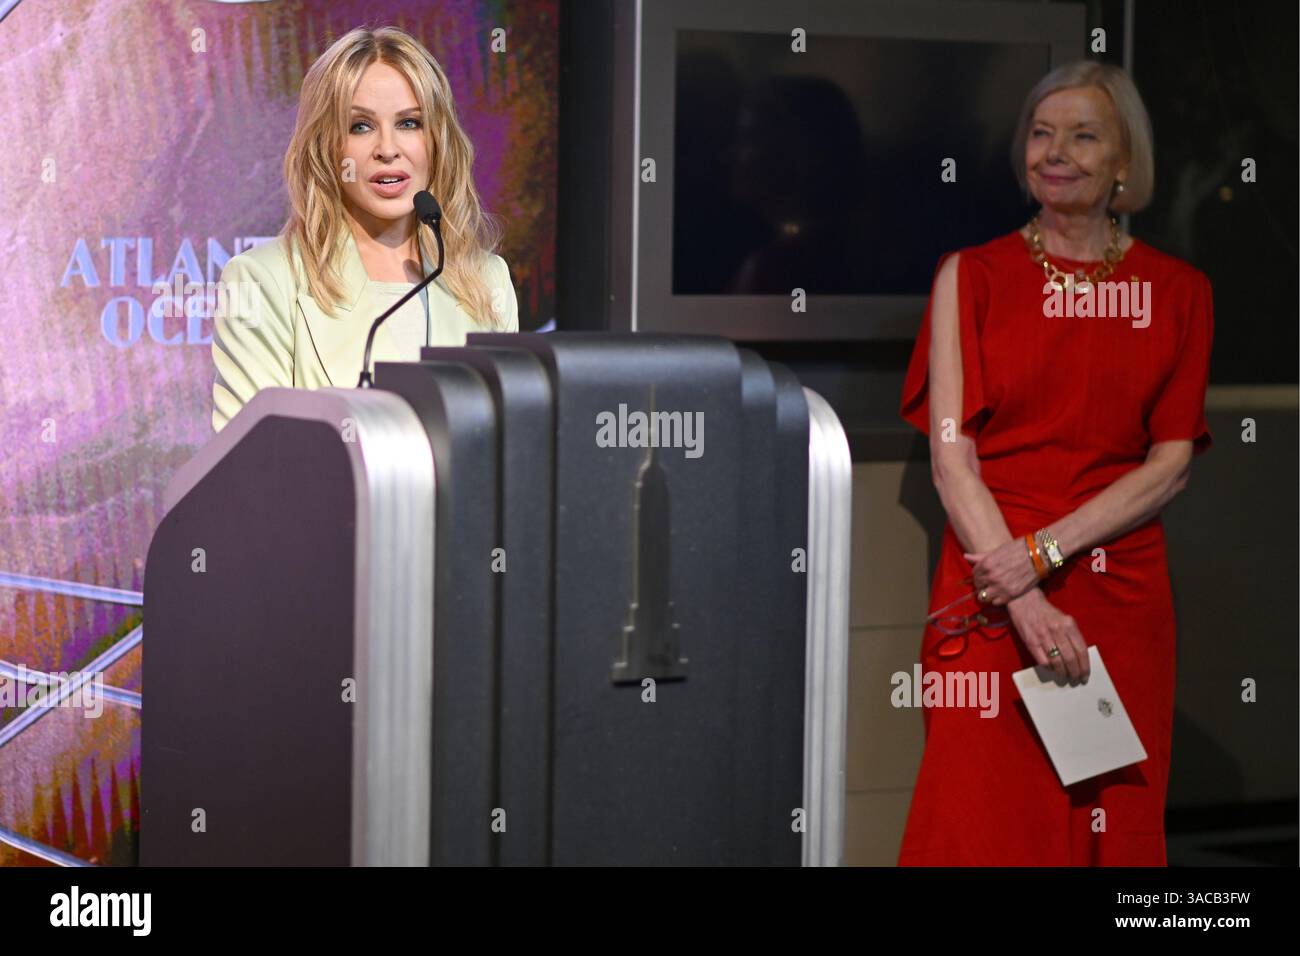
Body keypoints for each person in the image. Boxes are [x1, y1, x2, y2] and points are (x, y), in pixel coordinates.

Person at [897, 60, 1214, 865]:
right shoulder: (970, 275)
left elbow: (1171, 463)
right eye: (1041, 133)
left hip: (1116, 591)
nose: (1055, 151)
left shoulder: (1178, 293)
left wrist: (1046, 552)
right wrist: (1024, 591)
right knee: (980, 821)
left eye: (1082, 135)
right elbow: (949, 456)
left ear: (1124, 164)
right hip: (990, 586)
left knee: (1110, 823)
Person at [211, 26, 518, 432]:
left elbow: (511, 451)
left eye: (409, 123)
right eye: (360, 126)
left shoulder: (486, 280)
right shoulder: (263, 281)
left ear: (437, 141)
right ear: (326, 147)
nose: (388, 148)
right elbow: (251, 468)